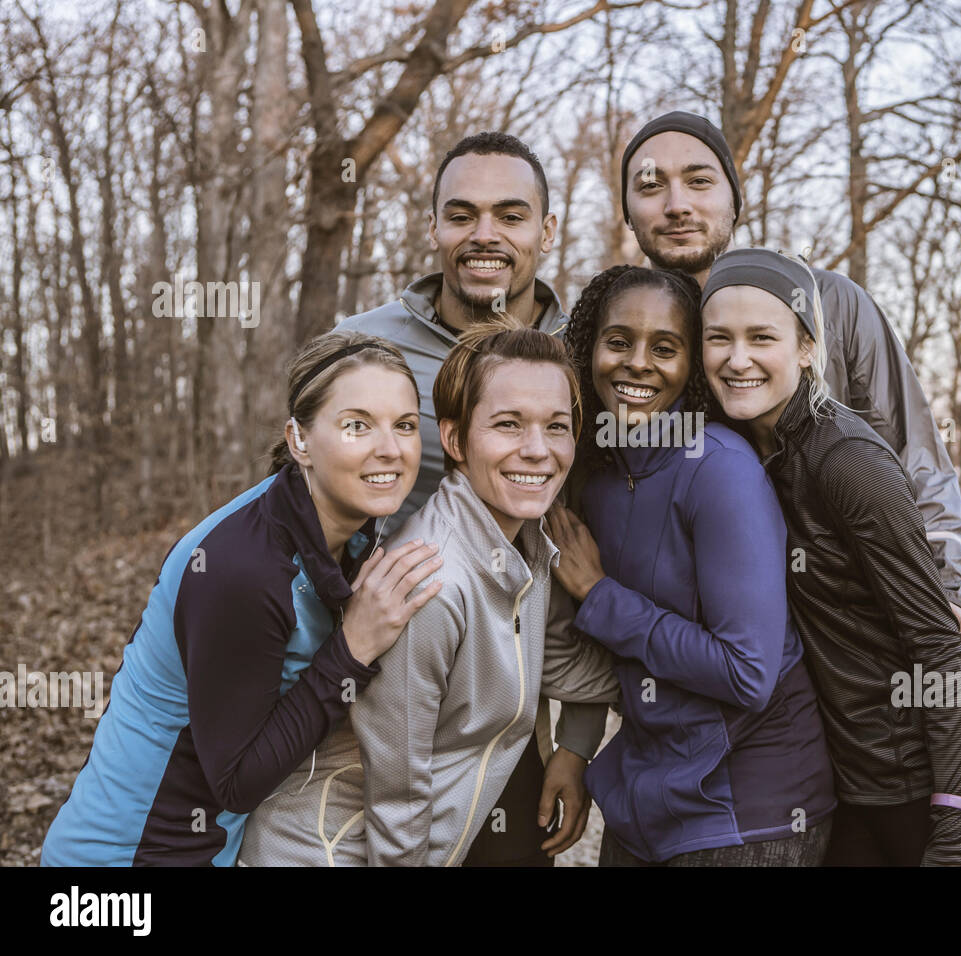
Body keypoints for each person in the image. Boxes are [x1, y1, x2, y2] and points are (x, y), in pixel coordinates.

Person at [40, 332, 443, 866]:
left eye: (405, 425)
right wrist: (351, 648)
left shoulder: (339, 526)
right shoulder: (242, 569)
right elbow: (234, 784)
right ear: (299, 441)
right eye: (357, 425)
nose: (390, 448)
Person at [619, 111, 961, 667]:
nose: (677, 204)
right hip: (717, 657)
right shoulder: (625, 341)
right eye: (651, 186)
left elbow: (918, 459)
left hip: (856, 634)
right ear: (628, 211)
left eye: (699, 181)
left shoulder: (831, 305)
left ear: (733, 201)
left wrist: (953, 602)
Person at [238, 325, 617, 867]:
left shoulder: (526, 544)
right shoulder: (430, 583)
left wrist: (687, 678)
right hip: (323, 853)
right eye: (508, 425)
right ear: (456, 439)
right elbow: (397, 796)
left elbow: (560, 664)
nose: (538, 451)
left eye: (556, 427)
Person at [699, 248, 961, 866]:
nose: (737, 358)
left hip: (953, 783)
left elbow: (937, 646)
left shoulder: (846, 456)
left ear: (806, 349)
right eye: (719, 338)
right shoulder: (746, 457)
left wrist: (955, 828)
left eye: (761, 338)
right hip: (859, 793)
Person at [335, 131, 606, 862]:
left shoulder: (579, 360)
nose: (484, 235)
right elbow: (288, 506)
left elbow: (581, 545)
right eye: (462, 214)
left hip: (501, 704)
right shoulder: (359, 349)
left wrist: (575, 745)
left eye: (511, 215)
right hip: (367, 694)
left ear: (548, 230)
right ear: (433, 228)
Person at [546, 264, 836, 866]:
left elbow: (747, 672)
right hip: (644, 794)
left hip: (749, 812)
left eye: (666, 348)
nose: (637, 364)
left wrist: (600, 596)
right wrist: (573, 752)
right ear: (588, 348)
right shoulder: (594, 473)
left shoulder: (720, 470)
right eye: (618, 341)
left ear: (692, 364)